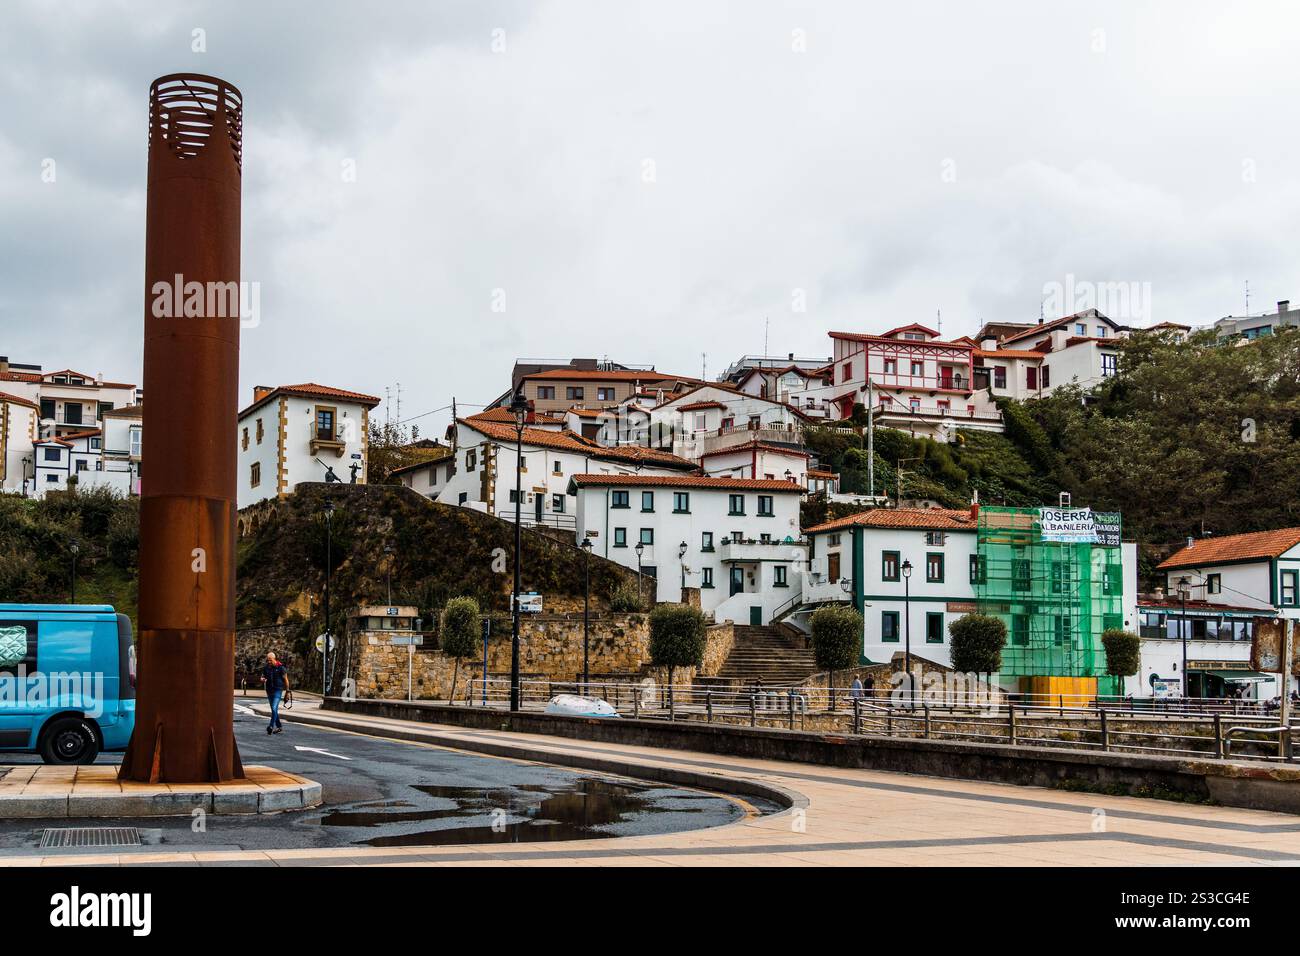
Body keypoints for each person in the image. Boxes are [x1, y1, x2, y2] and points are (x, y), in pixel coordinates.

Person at [260, 651, 290, 735]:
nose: (269, 662)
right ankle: (279, 726)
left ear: (274, 659)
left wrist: (287, 692)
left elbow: (286, 680)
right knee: (274, 710)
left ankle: (270, 726)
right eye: (268, 660)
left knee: (273, 708)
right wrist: (262, 679)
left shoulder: (281, 667)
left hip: (278, 690)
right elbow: (262, 676)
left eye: (270, 660)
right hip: (269, 690)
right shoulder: (266, 667)